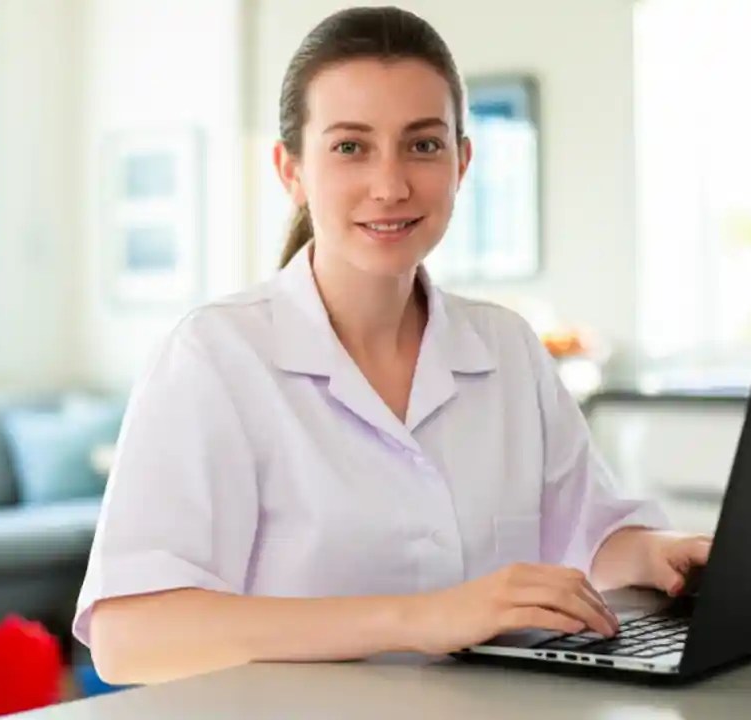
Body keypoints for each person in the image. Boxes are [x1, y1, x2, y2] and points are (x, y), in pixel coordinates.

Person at [74, 5, 711, 685]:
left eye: (423, 144)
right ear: (291, 170)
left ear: (462, 161)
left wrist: (657, 553)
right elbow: (129, 635)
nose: (391, 185)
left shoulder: (508, 348)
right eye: (351, 146)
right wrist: (423, 616)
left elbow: (589, 536)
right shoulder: (214, 356)